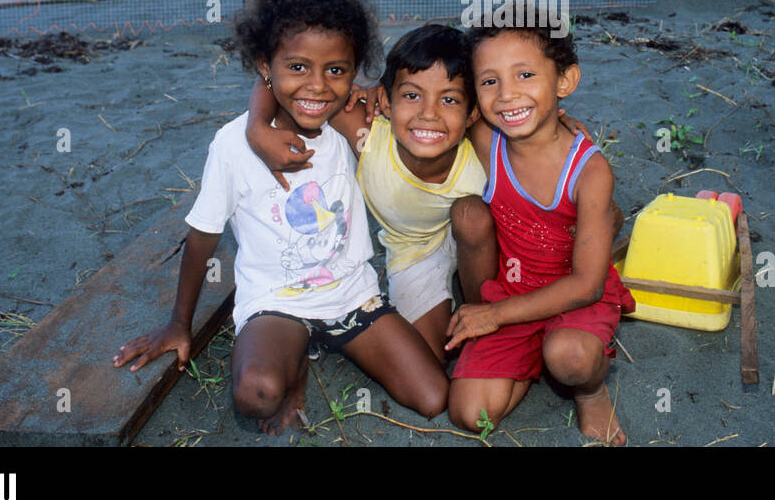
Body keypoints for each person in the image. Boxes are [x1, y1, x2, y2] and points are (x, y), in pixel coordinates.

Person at [113, 0, 447, 435]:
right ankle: (293, 358)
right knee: (257, 395)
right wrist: (178, 323)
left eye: (336, 70)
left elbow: (429, 105)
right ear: (265, 66)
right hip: (277, 304)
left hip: (352, 295)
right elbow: (203, 237)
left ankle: (314, 344)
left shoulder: (351, 119)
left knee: (431, 398)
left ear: (355, 74)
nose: (317, 86)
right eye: (297, 68)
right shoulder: (233, 145)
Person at [245, 23, 625, 365]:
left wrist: (558, 118)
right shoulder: (368, 133)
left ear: (473, 111)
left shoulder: (484, 138)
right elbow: (286, 83)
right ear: (388, 101)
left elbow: (529, 118)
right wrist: (257, 125)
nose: (429, 114)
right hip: (414, 249)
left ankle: (482, 314)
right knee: (429, 359)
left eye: (449, 100)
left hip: (492, 241)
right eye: (410, 96)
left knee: (470, 214)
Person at [445, 23, 634, 445]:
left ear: (564, 80)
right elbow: (433, 98)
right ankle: (527, 353)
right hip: (513, 294)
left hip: (575, 294)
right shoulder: (485, 138)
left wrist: (491, 317)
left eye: (525, 74)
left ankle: (590, 391)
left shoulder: (589, 170)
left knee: (570, 358)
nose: (507, 94)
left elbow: (586, 285)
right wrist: (374, 94)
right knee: (469, 415)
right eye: (489, 81)